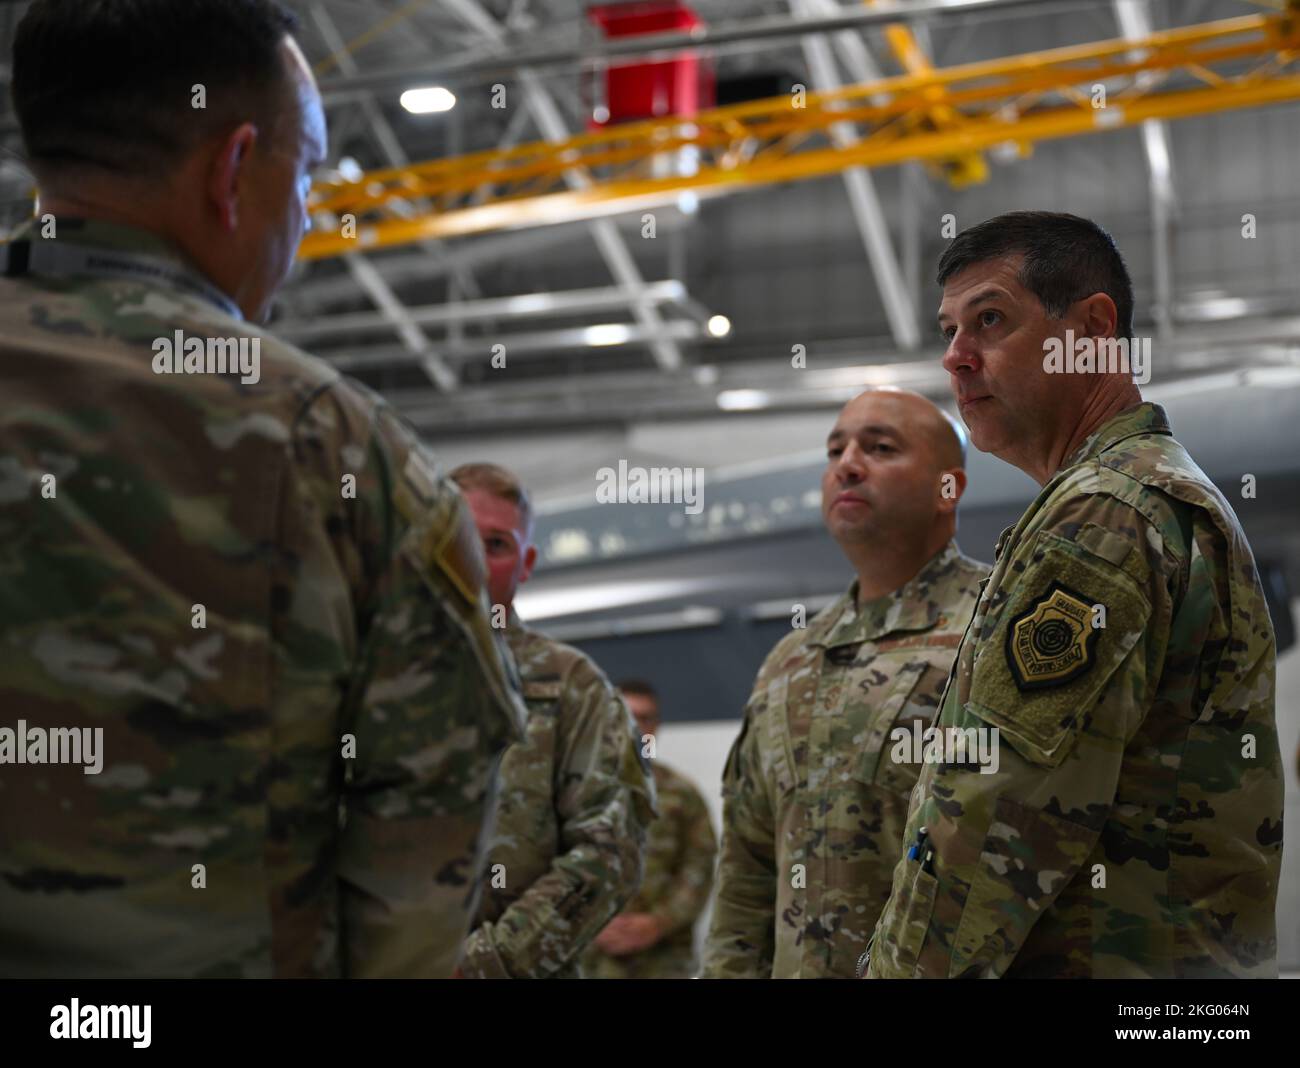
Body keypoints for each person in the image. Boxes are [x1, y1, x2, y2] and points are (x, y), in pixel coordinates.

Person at [0, 0, 522, 978]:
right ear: (234, 168)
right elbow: (422, 849)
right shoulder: (344, 456)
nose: (309, 212)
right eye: (308, 171)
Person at [867, 210, 1283, 979]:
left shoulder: (1105, 514)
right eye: (949, 331)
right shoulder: (1139, 493)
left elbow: (993, 819)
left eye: (990, 320)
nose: (956, 357)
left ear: (1091, 329)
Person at [703, 389, 987, 978]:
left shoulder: (995, 624)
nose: (847, 465)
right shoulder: (791, 662)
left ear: (947, 488)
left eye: (880, 448)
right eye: (835, 450)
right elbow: (748, 872)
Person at [452, 463, 656, 978]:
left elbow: (609, 851)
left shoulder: (571, 687)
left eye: (496, 545)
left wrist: (484, 963)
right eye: (457, 536)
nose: (473, 558)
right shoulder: (363, 675)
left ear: (525, 563)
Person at [582, 679, 717, 979]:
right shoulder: (573, 792)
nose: (635, 727)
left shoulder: (682, 794)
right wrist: (585, 920)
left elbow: (699, 868)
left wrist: (659, 922)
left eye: (644, 718)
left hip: (662, 959)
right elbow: (545, 864)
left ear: (656, 727)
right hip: (586, 958)